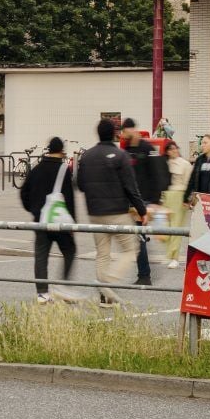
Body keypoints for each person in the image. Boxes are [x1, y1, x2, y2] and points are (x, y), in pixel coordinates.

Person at [76, 118, 146, 306]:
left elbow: (80, 185)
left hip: (95, 213)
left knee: (102, 254)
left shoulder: (86, 156)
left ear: (98, 134)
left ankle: (105, 298)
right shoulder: (120, 156)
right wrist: (142, 210)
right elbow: (130, 186)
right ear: (115, 134)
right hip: (117, 212)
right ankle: (107, 283)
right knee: (131, 249)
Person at [17, 136, 77, 302]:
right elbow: (69, 199)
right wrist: (73, 223)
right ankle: (63, 286)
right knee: (69, 251)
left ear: (49, 150)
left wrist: (34, 209)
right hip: (59, 221)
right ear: (61, 151)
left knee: (41, 256)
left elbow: (23, 193)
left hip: (41, 220)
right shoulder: (63, 170)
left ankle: (42, 293)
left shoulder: (36, 168)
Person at [121, 118, 169, 285]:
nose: (123, 135)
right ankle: (144, 274)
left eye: (124, 131)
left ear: (131, 129)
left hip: (146, 200)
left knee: (139, 238)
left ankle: (144, 275)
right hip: (133, 202)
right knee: (138, 238)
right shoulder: (127, 150)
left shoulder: (147, 148)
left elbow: (157, 173)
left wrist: (156, 200)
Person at [162, 139, 190, 266]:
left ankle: (175, 257)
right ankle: (169, 255)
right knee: (166, 227)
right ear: (167, 151)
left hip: (179, 195)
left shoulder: (185, 164)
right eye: (171, 149)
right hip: (166, 196)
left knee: (176, 227)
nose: (174, 151)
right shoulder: (165, 163)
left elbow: (188, 183)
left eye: (175, 148)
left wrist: (187, 199)